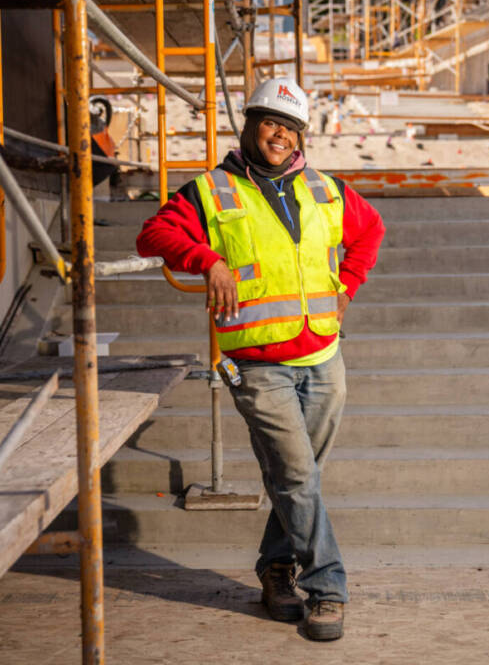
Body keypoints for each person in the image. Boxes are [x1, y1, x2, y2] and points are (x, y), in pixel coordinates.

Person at [136, 77, 384, 641]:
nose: (280, 136)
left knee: (300, 477)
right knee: (296, 474)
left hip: (323, 354)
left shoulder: (326, 189)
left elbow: (370, 233)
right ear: (249, 126)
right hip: (256, 362)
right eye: (271, 123)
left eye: (291, 127)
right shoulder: (212, 190)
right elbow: (152, 235)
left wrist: (347, 287)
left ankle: (276, 569)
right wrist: (207, 260)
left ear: (301, 137)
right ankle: (327, 588)